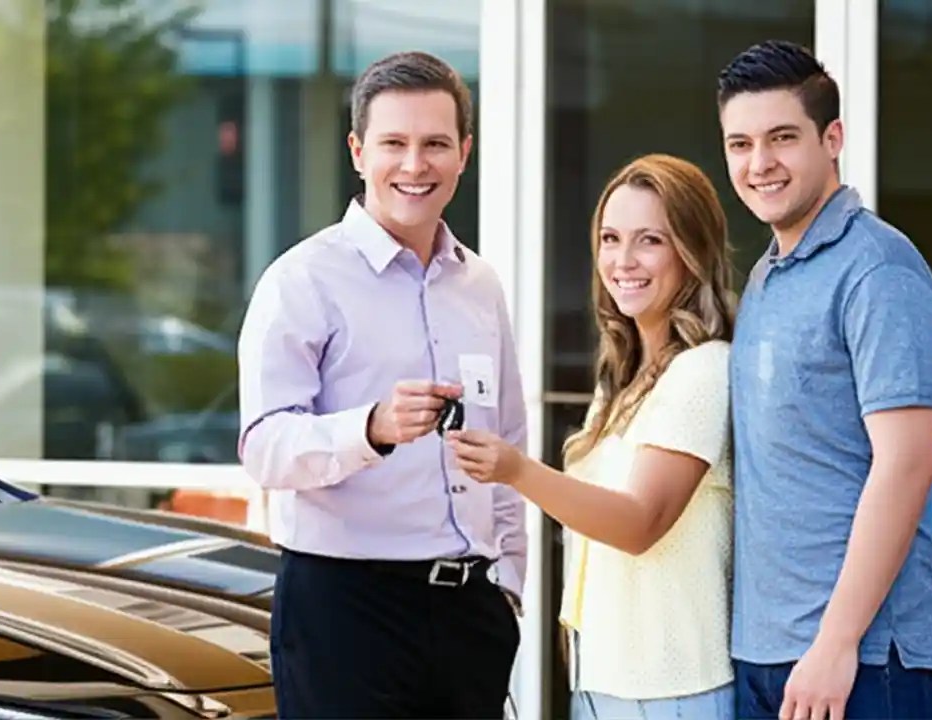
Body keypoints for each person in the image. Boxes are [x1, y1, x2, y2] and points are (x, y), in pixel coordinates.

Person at [237, 50, 527, 718]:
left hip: (469, 614)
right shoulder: (301, 280)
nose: (415, 165)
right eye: (394, 143)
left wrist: (507, 586)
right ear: (357, 151)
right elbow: (264, 448)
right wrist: (370, 429)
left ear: (465, 152)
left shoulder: (480, 286)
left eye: (436, 144)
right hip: (346, 612)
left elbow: (505, 442)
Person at [447, 153, 737, 719]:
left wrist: (517, 470)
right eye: (610, 238)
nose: (622, 261)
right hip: (603, 683)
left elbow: (638, 523)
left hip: (671, 694)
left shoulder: (704, 370)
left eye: (649, 240)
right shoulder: (624, 381)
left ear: (691, 251)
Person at [716, 40, 932, 720]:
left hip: (863, 659)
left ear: (833, 137)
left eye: (782, 138)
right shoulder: (767, 275)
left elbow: (905, 466)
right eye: (740, 143)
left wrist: (836, 642)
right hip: (766, 653)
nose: (759, 164)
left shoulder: (877, 269)